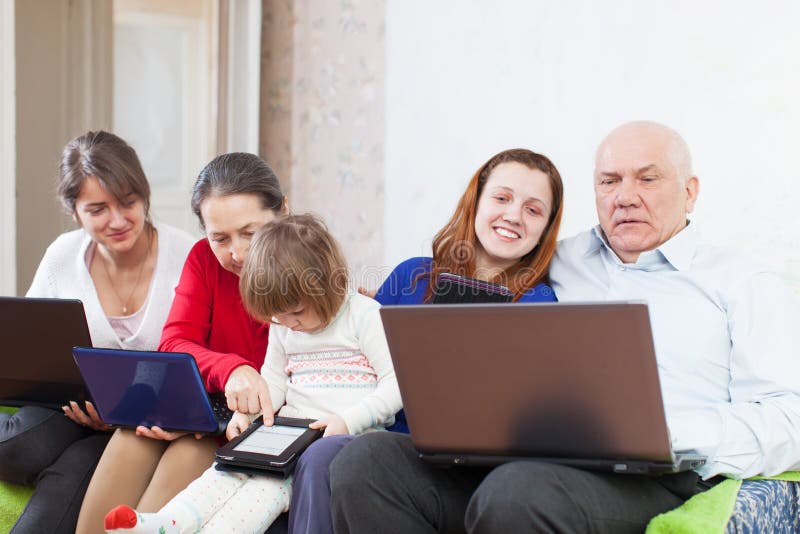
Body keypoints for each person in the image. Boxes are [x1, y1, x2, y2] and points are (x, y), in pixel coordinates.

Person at [328, 121, 800, 533]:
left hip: (655, 477)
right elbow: (488, 255)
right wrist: (362, 313)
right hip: (528, 461)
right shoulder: (562, 260)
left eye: (648, 179)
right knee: (366, 461)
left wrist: (667, 433)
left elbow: (789, 417)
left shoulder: (742, 281)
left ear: (690, 190)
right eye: (608, 180)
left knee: (518, 492)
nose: (625, 196)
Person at [288, 147, 565, 534]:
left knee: (348, 457)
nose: (513, 215)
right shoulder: (411, 277)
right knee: (324, 456)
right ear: (477, 201)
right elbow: (355, 361)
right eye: (502, 198)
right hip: (385, 440)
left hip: (476, 472)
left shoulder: (541, 303)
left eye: (533, 210)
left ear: (546, 227)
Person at [102, 213, 403, 533]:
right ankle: (168, 522)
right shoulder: (284, 326)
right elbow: (272, 381)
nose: (288, 323)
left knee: (261, 493)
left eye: (297, 312)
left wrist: (348, 420)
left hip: (348, 438)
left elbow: (396, 384)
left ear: (326, 284)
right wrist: (249, 414)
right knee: (226, 470)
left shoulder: (364, 316)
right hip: (289, 432)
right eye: (277, 315)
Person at [76, 152, 288, 534]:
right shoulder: (204, 259)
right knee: (132, 433)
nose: (236, 253)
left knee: (188, 452)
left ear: (283, 212)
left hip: (253, 422)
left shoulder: (309, 272)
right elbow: (174, 342)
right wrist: (230, 370)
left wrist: (214, 415)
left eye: (250, 233)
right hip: (204, 401)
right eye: (219, 237)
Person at [0, 131, 195, 534]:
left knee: (65, 482)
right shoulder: (62, 255)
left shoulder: (187, 256)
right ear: (74, 211)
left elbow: (200, 360)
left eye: (129, 202)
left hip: (135, 430)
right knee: (21, 447)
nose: (119, 220)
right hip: (70, 408)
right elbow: (28, 339)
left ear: (144, 195)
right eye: (98, 209)